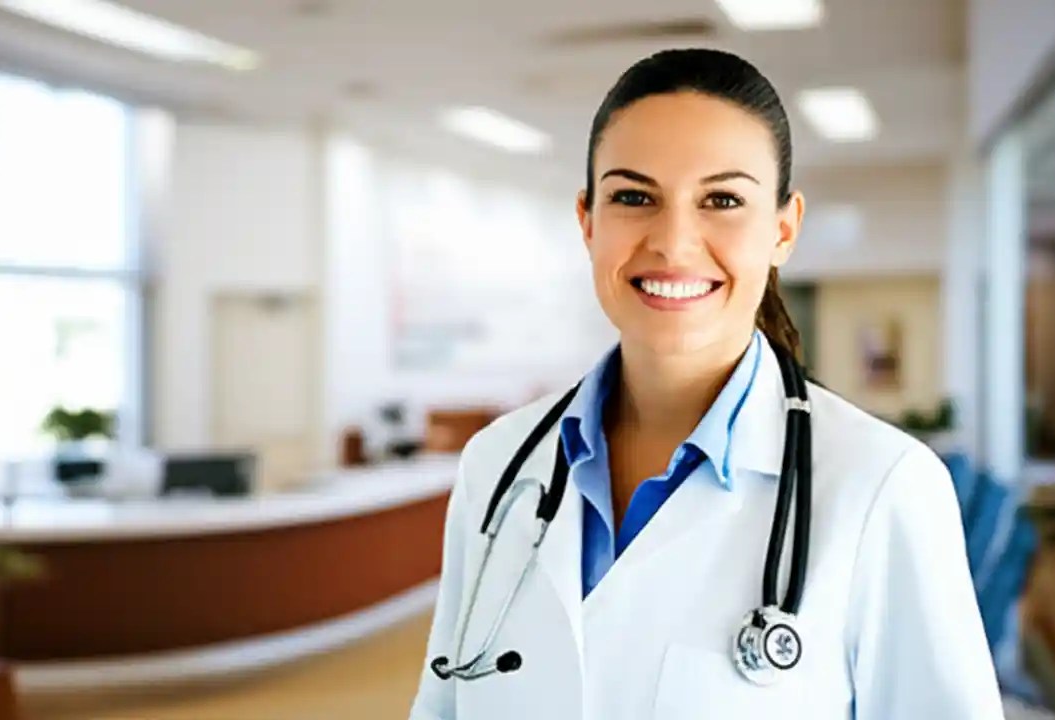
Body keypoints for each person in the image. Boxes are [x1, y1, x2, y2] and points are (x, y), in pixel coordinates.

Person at [410, 48, 1003, 720]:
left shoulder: (883, 484)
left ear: (783, 229)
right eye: (634, 197)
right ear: (587, 220)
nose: (674, 241)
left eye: (722, 199)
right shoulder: (498, 465)